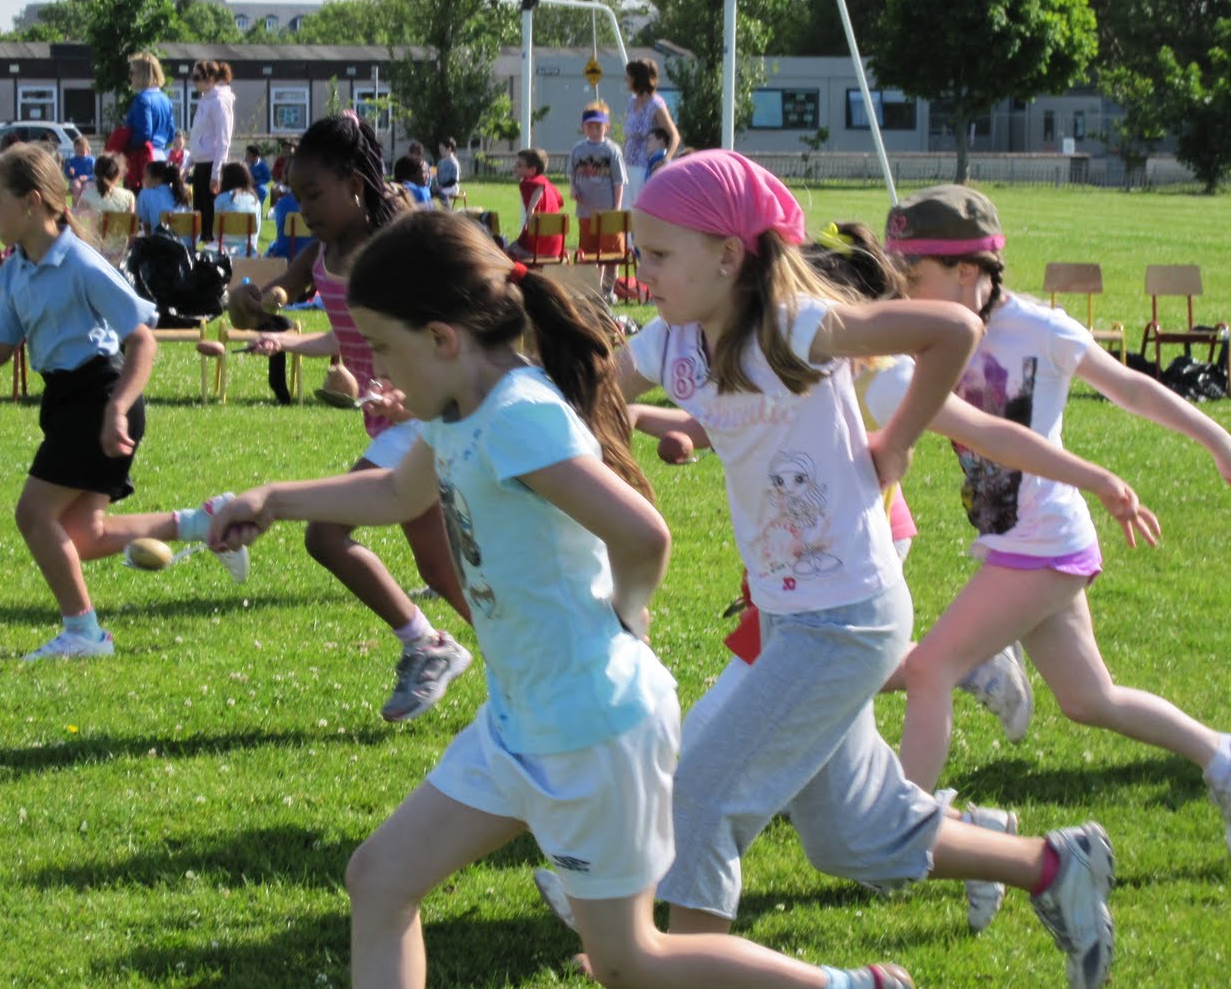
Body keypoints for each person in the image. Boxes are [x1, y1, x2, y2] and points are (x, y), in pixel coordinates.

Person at [209, 209, 920, 989]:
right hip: (519, 722)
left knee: (630, 961)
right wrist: (274, 498)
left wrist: (627, 612)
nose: (377, 370)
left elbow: (643, 535)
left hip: (590, 731)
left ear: (443, 338)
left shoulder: (519, 417)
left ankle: (851, 987)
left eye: (385, 347)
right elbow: (391, 491)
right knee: (379, 880)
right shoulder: (455, 411)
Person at [615, 152, 1116, 989]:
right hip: (790, 613)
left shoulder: (797, 324)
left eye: (659, 256)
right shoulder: (671, 344)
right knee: (849, 833)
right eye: (641, 254)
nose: (642, 273)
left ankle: (686, 973)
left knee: (699, 801)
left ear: (729, 256)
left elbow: (949, 330)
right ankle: (1055, 866)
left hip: (848, 615)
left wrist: (896, 444)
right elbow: (594, 388)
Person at [885, 184, 1231, 842]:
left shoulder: (1038, 329)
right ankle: (1222, 754)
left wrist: (1217, 438)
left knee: (931, 667)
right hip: (1028, 543)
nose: (902, 290)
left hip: (1041, 543)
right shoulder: (927, 330)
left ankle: (900, 832)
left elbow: (1128, 387)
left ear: (970, 273)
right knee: (1088, 701)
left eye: (914, 274)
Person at [0, 145, 247, 661]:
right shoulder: (15, 270)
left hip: (102, 395)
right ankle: (207, 522)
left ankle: (84, 633)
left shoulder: (79, 263)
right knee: (81, 537)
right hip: (66, 401)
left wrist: (119, 406)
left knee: (34, 516)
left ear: (33, 202)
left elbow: (143, 338)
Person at [226, 113, 472, 723]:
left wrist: (418, 391)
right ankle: (518, 659)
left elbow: (449, 324)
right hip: (391, 421)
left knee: (325, 534)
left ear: (356, 183)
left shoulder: (400, 246)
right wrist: (259, 314)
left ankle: (433, 645)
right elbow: (299, 316)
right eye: (294, 195)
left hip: (423, 417)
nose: (303, 207)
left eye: (314, 193)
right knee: (440, 570)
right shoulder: (319, 254)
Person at [569, 103, 629, 295]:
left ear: (607, 127)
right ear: (583, 127)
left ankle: (607, 290)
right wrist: (573, 189)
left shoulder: (612, 150)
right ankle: (593, 288)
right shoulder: (578, 149)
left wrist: (616, 209)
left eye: (599, 126)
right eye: (590, 126)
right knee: (590, 252)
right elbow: (572, 175)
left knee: (610, 253)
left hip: (607, 210)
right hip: (586, 211)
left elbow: (619, 181)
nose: (594, 130)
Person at [622, 58, 680, 211]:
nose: (625, 79)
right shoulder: (632, 102)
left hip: (644, 167)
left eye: (628, 76)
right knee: (626, 212)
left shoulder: (656, 105)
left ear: (637, 78)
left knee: (641, 210)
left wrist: (666, 159)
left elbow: (674, 135)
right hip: (627, 165)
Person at [188, 60, 235, 243]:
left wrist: (216, 173)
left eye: (197, 78)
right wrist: (187, 164)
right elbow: (198, 135)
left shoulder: (219, 101)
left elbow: (224, 140)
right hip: (200, 165)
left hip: (211, 166)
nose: (194, 82)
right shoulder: (204, 100)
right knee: (199, 219)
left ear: (210, 79)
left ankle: (211, 257)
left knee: (209, 219)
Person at [120, 54, 176, 188]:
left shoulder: (142, 99)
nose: (130, 76)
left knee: (140, 203)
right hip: (161, 156)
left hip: (144, 160)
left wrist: (126, 143)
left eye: (132, 72)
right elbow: (171, 134)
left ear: (142, 73)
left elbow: (145, 133)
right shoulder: (165, 99)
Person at [74, 153, 137, 267]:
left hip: (94, 257)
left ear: (95, 173)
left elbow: (79, 229)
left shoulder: (87, 197)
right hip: (120, 259)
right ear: (118, 173)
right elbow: (132, 232)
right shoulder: (128, 197)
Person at [506, 148, 563, 263]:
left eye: (519, 165)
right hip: (555, 248)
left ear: (532, 170)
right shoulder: (547, 183)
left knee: (504, 253)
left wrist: (531, 208)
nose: (515, 167)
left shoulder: (527, 183)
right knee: (513, 245)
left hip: (536, 247)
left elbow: (539, 187)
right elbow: (559, 202)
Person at [212, 160, 261, 256]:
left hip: (223, 251)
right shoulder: (255, 201)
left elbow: (216, 232)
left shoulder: (221, 199)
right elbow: (256, 232)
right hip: (248, 251)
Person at [135, 161, 184, 236]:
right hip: (186, 245)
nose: (142, 179)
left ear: (157, 179)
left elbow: (146, 227)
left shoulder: (145, 193)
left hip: (161, 243)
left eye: (145, 176)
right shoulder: (180, 193)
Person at [432, 137, 460, 209]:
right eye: (439, 150)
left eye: (442, 149)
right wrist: (436, 186)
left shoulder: (454, 163)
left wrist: (442, 186)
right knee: (429, 191)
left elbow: (454, 180)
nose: (440, 151)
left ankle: (447, 210)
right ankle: (431, 210)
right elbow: (437, 177)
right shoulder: (441, 163)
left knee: (442, 192)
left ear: (449, 149)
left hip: (452, 187)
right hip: (441, 186)